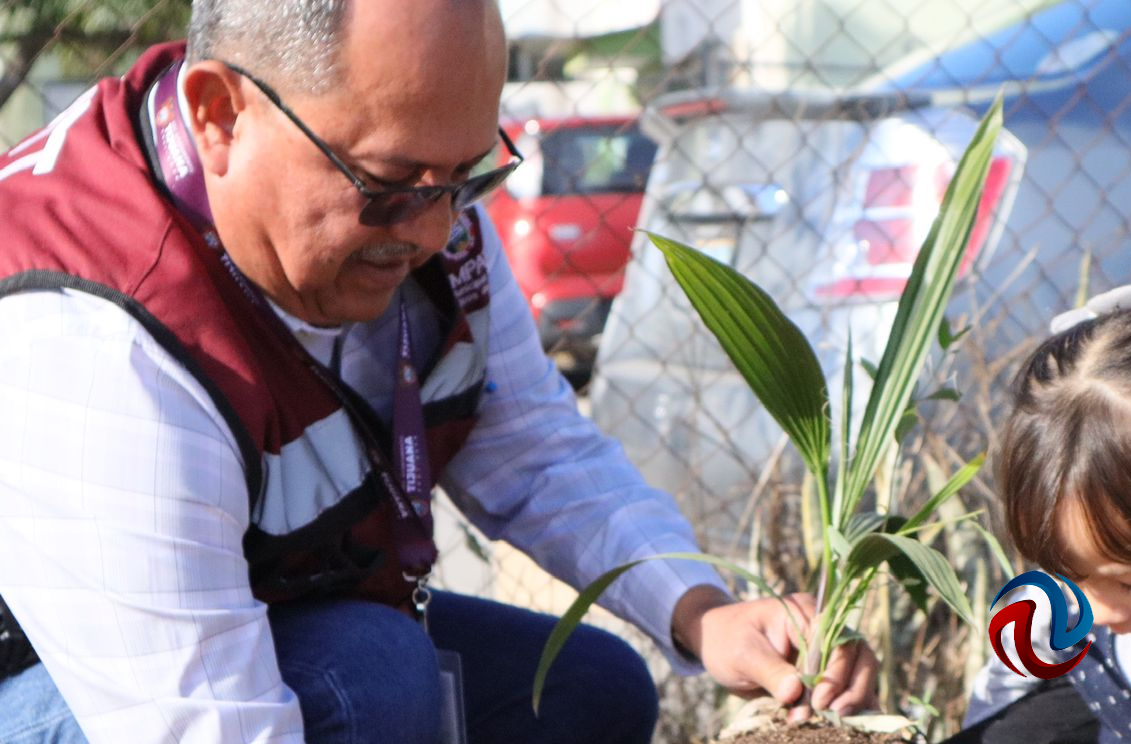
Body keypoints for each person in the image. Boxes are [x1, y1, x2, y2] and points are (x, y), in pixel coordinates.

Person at [0, 1, 878, 742]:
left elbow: (530, 445)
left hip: (262, 618)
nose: (431, 231)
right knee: (371, 675)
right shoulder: (98, 344)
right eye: (387, 181)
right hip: (57, 680)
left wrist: (698, 607)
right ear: (221, 115)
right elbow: (207, 723)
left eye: (464, 176)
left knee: (587, 688)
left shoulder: (420, 205)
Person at [955, 307, 1131, 744]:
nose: (1099, 611)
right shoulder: (1062, 609)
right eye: (1069, 573)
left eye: (1127, 584)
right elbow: (1005, 685)